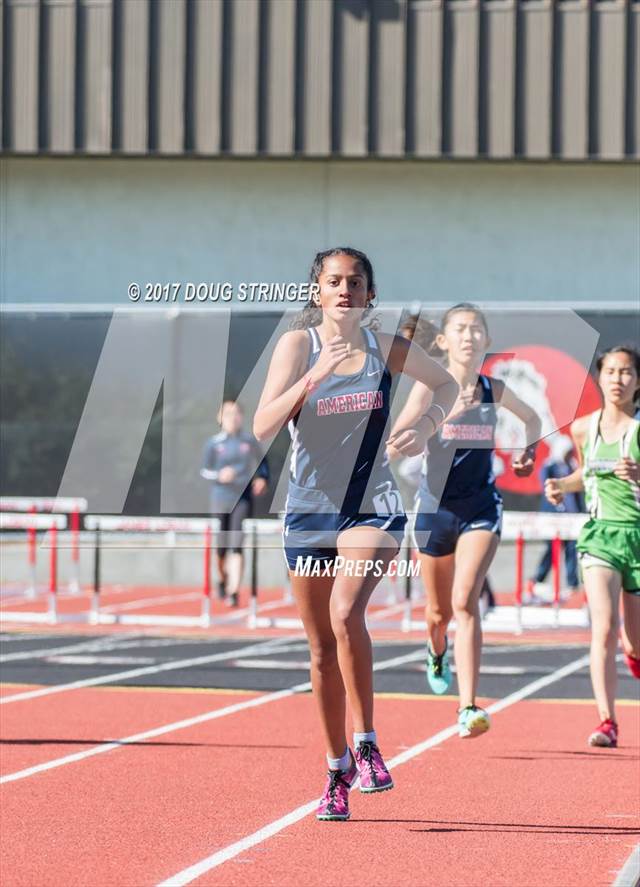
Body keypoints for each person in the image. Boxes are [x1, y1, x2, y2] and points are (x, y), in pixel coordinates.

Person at [253, 247, 457, 821]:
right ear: (316, 290)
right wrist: (312, 378)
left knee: (346, 613)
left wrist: (426, 425)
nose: (345, 290)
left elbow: (444, 385)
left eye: (356, 281)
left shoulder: (386, 347)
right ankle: (335, 767)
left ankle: (367, 744)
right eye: (334, 280)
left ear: (370, 294)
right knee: (321, 649)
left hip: (372, 507)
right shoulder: (298, 346)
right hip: (309, 512)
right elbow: (262, 425)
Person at [391, 303, 541, 738]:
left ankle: (468, 705)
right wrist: (442, 417)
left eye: (477, 329)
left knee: (465, 601)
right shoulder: (430, 388)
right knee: (438, 613)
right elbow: (396, 445)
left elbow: (532, 419)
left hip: (480, 507)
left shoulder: (493, 389)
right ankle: (436, 651)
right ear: (443, 340)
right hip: (435, 510)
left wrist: (528, 452)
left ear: (487, 341)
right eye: (460, 328)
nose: (469, 336)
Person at [545, 345, 640, 748]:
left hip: (637, 537)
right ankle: (607, 721)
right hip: (600, 536)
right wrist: (560, 485)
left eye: (626, 372)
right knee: (603, 628)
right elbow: (586, 474)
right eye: (611, 371)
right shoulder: (584, 428)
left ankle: (633, 652)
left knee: (634, 640)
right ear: (600, 378)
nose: (618, 379)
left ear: (637, 381)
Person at [201, 400, 269, 606]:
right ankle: (222, 579)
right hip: (220, 499)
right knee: (221, 547)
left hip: (243, 498)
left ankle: (234, 591)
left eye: (237, 413)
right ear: (220, 418)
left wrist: (262, 478)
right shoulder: (213, 444)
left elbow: (262, 464)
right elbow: (205, 470)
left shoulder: (249, 442)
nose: (233, 417)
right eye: (228, 413)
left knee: (237, 544)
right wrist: (219, 475)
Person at [525, 435, 583, 603]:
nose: (570, 454)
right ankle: (537, 580)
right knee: (551, 550)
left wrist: (579, 511)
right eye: (567, 451)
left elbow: (578, 491)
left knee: (572, 549)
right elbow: (546, 485)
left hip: (571, 518)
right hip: (553, 517)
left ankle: (572, 584)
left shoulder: (572, 466)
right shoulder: (549, 466)